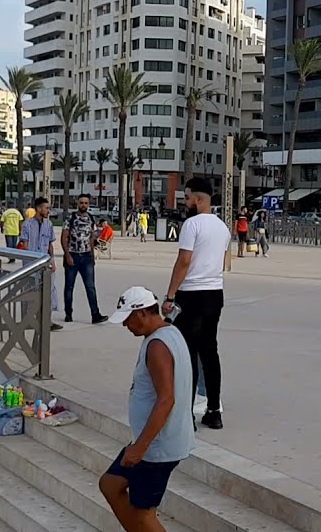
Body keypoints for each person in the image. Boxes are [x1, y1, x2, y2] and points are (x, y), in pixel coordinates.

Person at [99, 285, 193, 530]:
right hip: (149, 442)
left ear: (142, 313)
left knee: (144, 514)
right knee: (110, 484)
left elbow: (166, 399)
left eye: (127, 319)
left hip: (155, 448)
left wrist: (140, 447)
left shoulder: (158, 346)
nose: (125, 325)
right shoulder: (168, 333)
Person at [162, 178, 230, 430]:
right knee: (210, 352)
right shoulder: (222, 227)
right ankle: (214, 410)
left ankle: (186, 414)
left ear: (199, 199)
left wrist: (170, 295)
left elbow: (184, 261)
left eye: (187, 197)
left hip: (191, 294)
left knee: (187, 353)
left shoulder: (192, 225)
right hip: (214, 293)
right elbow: (222, 262)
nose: (185, 202)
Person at [61, 194, 107, 324]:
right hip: (73, 256)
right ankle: (68, 313)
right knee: (69, 287)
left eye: (86, 203)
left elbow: (92, 238)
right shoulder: (70, 218)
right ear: (77, 203)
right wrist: (67, 255)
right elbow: (63, 238)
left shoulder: (91, 219)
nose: (83, 205)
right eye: (81, 203)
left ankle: (95, 314)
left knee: (90, 287)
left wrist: (92, 255)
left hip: (87, 257)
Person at [18, 197, 63, 331]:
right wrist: (28, 262)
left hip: (45, 262)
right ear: (38, 208)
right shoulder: (27, 225)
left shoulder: (48, 224)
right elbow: (25, 245)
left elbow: (50, 245)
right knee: (30, 292)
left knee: (48, 291)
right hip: (31, 264)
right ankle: (28, 320)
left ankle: (47, 321)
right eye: (46, 208)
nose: (48, 210)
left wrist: (52, 260)